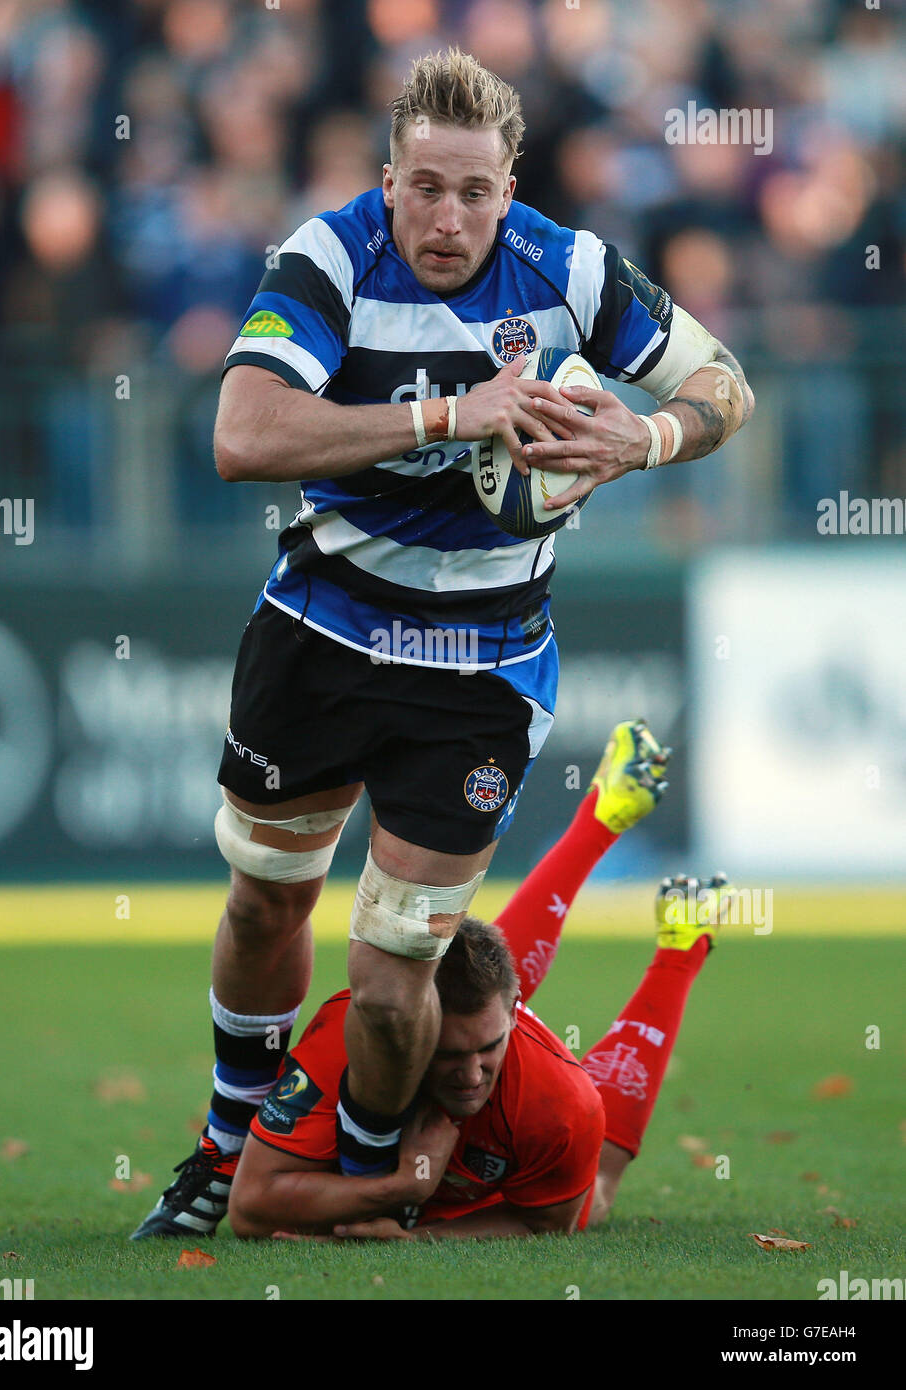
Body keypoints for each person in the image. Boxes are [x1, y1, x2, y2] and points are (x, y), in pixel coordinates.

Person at [132, 44, 753, 1239]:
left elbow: (724, 383)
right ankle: (225, 1146)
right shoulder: (328, 257)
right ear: (388, 178)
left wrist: (647, 440)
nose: (448, 216)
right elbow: (241, 431)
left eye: (475, 192)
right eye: (425, 187)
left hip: (481, 658)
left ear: (509, 190)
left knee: (395, 960)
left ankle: (357, 1170)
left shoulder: (567, 268)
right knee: (268, 902)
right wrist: (448, 412)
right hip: (323, 621)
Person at [225, 723, 730, 1240]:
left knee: (595, 1193)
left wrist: (414, 1237)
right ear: (413, 1029)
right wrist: (404, 1187)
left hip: (517, 1074)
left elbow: (545, 1222)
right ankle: (600, 818)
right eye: (448, 1055)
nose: (469, 1075)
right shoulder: (355, 1031)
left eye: (486, 1050)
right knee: (468, 970)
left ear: (516, 1015)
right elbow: (250, 1210)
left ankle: (681, 948)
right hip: (460, 1029)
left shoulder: (560, 1102)